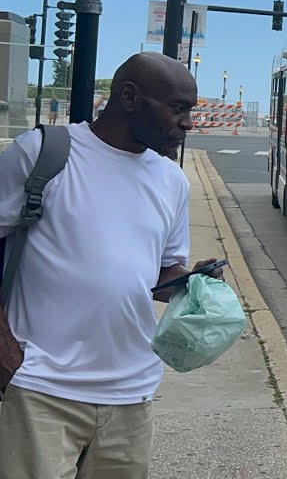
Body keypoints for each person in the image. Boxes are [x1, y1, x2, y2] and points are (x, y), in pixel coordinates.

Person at [0, 52, 224, 479]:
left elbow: (160, 274)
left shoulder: (171, 180)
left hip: (130, 394)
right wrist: (5, 352)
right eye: (178, 109)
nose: (189, 123)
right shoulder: (45, 152)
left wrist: (194, 283)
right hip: (42, 388)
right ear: (129, 97)